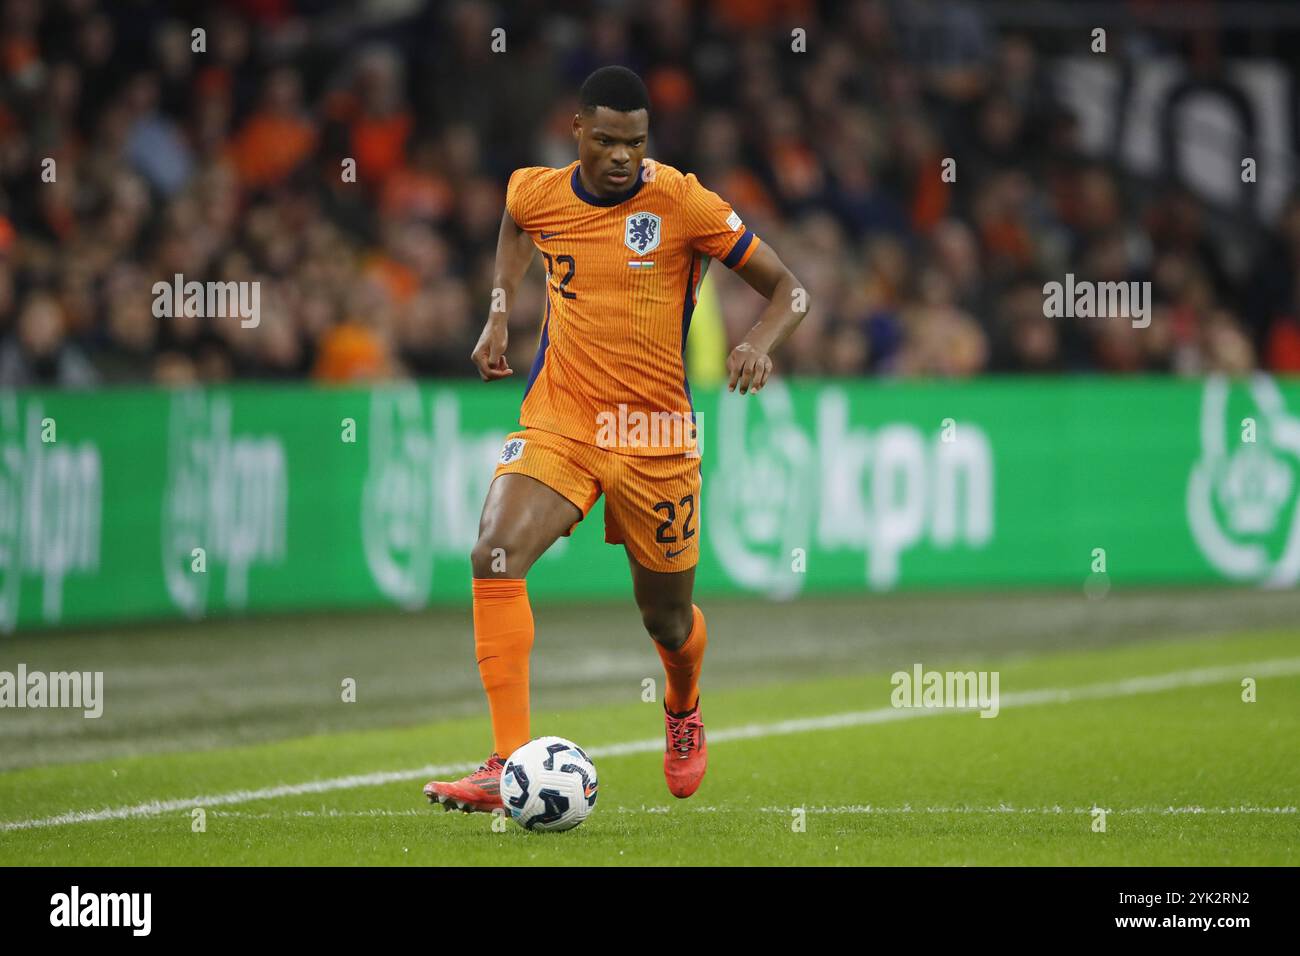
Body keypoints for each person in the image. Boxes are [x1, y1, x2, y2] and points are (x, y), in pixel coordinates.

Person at [424, 66, 807, 812]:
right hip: (562, 418)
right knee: (493, 553)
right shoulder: (538, 191)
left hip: (655, 435)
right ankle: (505, 764)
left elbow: (790, 289)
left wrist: (760, 344)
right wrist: (499, 310)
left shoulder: (683, 202)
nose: (622, 156)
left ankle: (683, 702)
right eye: (605, 140)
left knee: (665, 619)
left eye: (635, 141)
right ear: (576, 132)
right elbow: (514, 220)